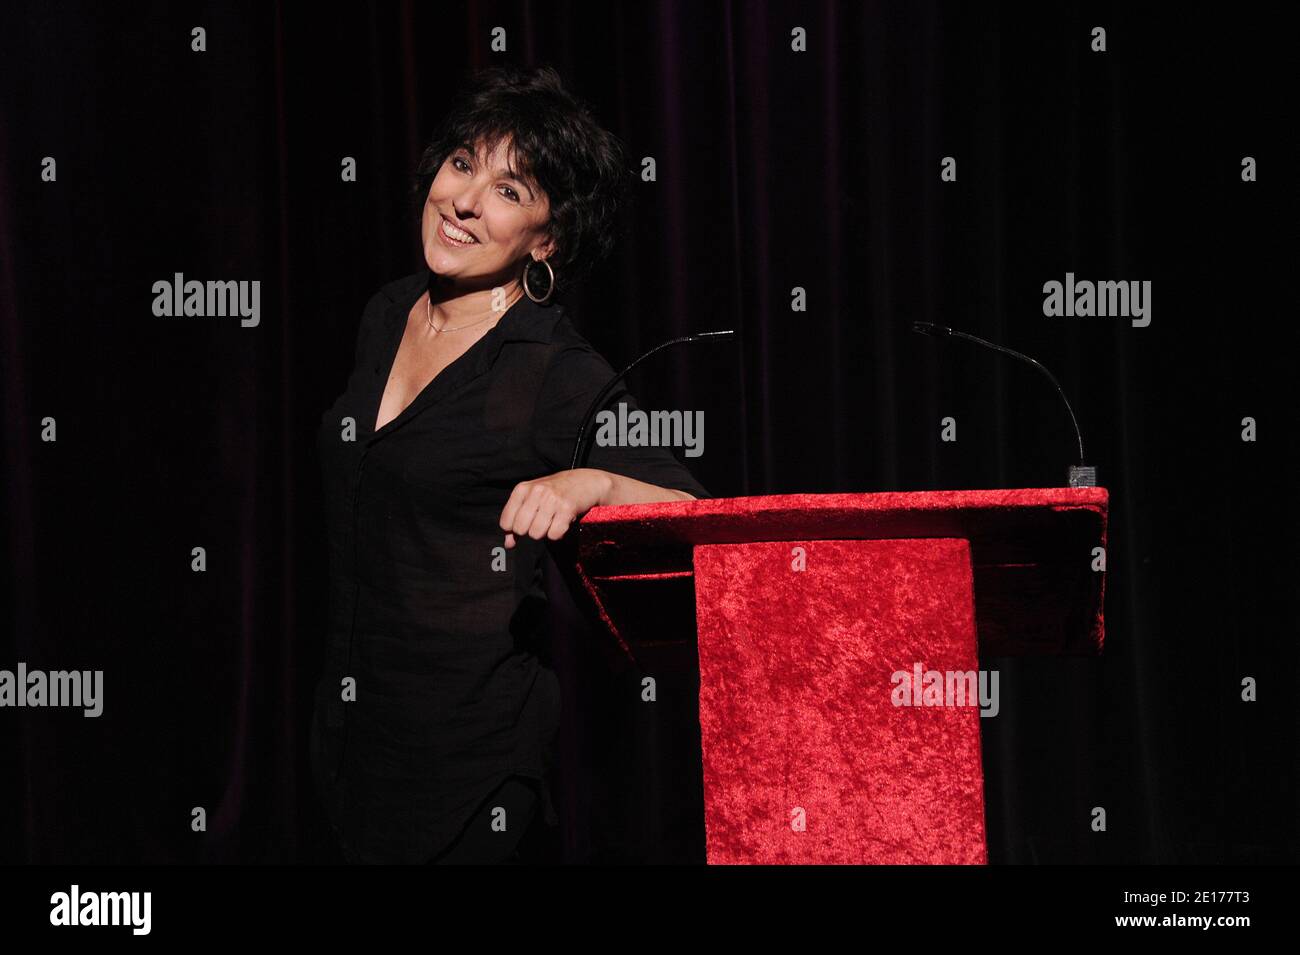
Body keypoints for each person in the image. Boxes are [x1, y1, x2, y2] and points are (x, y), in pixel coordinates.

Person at [310, 65, 711, 864]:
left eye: (509, 190)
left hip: (469, 774)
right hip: (351, 747)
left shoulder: (551, 369)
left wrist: (590, 481)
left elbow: (697, 517)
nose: (463, 200)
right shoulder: (388, 312)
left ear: (547, 238)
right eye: (462, 163)